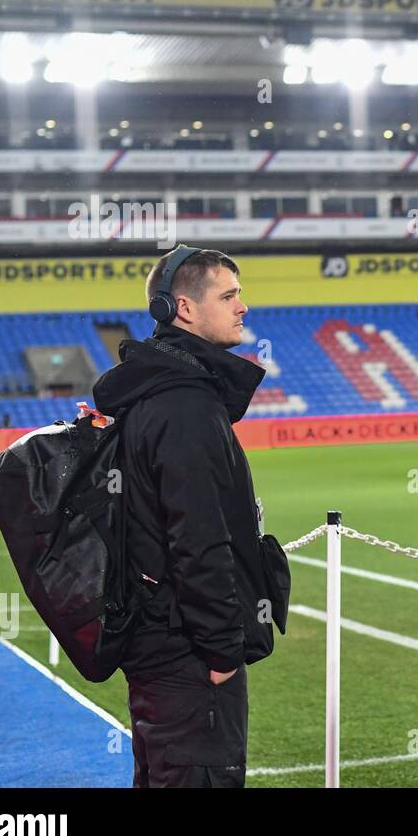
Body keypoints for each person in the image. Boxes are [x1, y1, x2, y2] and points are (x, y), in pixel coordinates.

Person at [92, 246, 277, 788]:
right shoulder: (185, 404)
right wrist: (221, 653)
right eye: (228, 295)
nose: (243, 306)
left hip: (158, 643)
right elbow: (198, 540)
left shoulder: (159, 393)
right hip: (187, 655)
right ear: (184, 309)